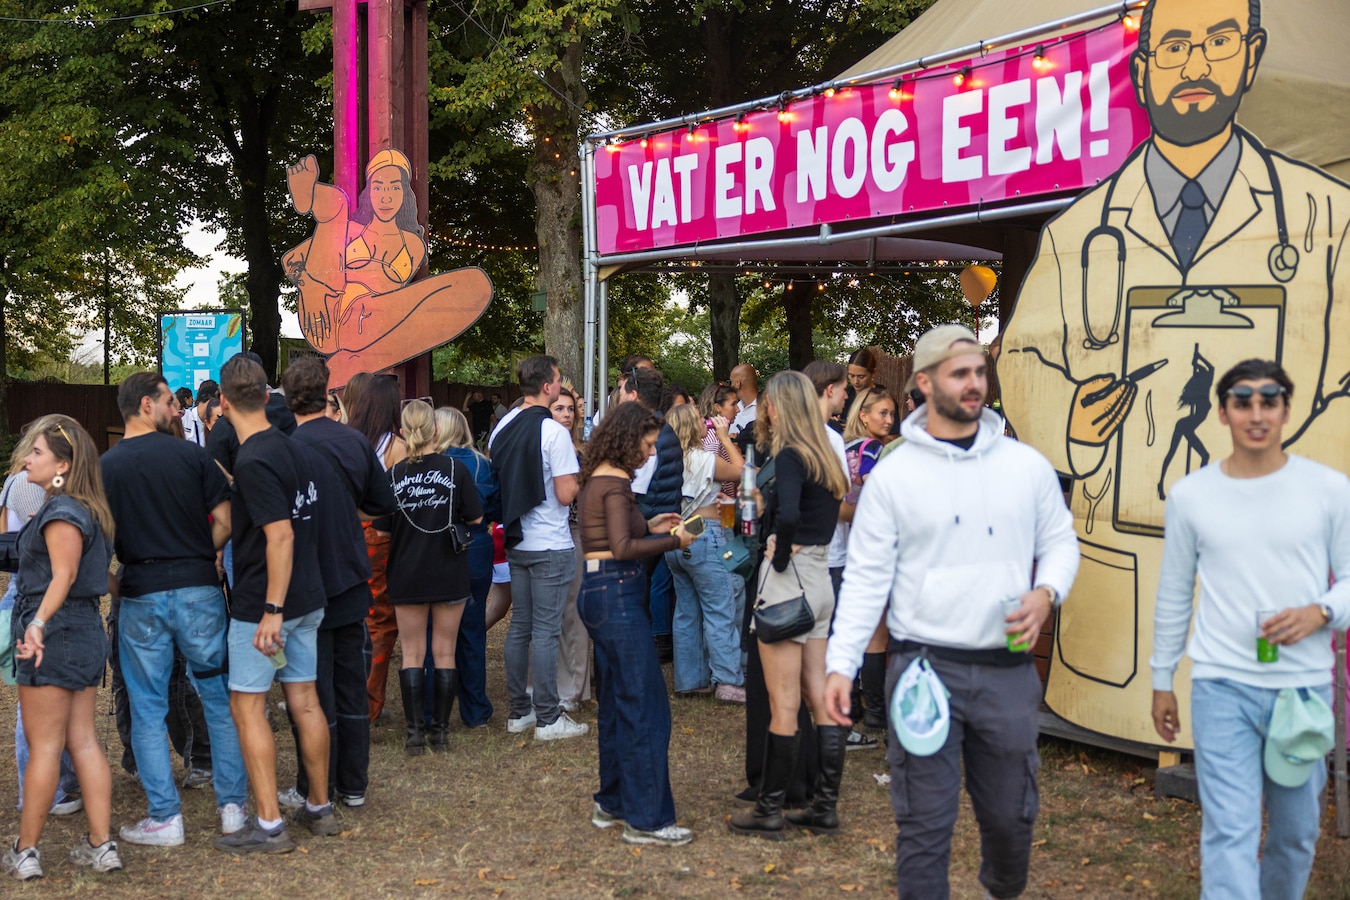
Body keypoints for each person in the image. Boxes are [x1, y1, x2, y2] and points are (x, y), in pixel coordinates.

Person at [998, 0, 1350, 746]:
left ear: (1250, 56)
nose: (1195, 65)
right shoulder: (1076, 232)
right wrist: (1070, 420)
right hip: (1116, 594)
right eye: (1176, 46)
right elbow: (1023, 358)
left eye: (1219, 42)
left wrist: (1286, 475)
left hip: (1268, 570)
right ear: (1143, 70)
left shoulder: (1329, 216)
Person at [824, 324, 1080, 899]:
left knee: (1012, 820)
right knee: (924, 827)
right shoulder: (895, 475)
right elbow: (866, 578)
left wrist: (1046, 593)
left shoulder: (1024, 466)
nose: (973, 384)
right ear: (925, 381)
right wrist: (841, 666)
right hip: (923, 670)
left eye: (979, 373)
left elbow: (1061, 541)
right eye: (959, 373)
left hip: (1007, 670)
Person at [1150, 359, 1350, 900]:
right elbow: (1173, 593)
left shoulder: (1329, 490)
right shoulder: (1192, 495)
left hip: (1301, 690)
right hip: (1221, 688)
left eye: (1269, 399)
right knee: (1230, 832)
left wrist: (1321, 612)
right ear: (1222, 411)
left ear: (1286, 409)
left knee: (1295, 837)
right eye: (1243, 400)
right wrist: (1162, 678)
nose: (1256, 412)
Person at [100, 373, 246, 847]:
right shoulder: (193, 456)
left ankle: (165, 818)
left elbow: (95, 541)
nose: (176, 410)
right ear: (146, 405)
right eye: (168, 402)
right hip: (199, 588)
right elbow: (225, 520)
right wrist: (203, 554)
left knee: (146, 708)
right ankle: (232, 809)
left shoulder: (106, 467)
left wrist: (115, 582)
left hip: (140, 588)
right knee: (218, 700)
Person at [213, 355, 335, 854]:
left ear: (222, 404)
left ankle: (268, 825)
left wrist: (271, 609)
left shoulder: (254, 459)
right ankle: (319, 807)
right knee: (304, 700)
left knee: (247, 706)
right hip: (307, 596)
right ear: (268, 396)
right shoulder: (296, 449)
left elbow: (280, 536)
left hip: (269, 606)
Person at [730, 371, 848, 840]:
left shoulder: (793, 455)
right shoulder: (826, 452)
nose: (766, 410)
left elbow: (793, 515)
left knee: (784, 702)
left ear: (785, 406)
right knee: (819, 697)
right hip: (821, 581)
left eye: (772, 403)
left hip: (789, 581)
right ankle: (824, 807)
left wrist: (778, 551)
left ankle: (770, 809)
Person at [3, 415, 122, 880]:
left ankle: (25, 850)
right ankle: (101, 845)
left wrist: (37, 623)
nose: (26, 459)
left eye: (36, 452)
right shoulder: (84, 508)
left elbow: (64, 575)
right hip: (82, 631)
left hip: (56, 632)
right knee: (82, 741)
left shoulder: (64, 512)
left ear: (62, 465)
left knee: (47, 746)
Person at [576, 402, 694, 846]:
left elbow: (618, 533)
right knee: (645, 707)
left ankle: (613, 800)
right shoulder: (616, 482)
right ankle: (646, 819)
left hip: (598, 594)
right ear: (627, 440)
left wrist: (653, 522)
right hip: (617, 594)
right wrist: (672, 540)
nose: (650, 454)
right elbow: (623, 547)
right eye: (646, 445)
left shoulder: (599, 479)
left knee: (616, 701)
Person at [284, 357, 396, 809]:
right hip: (349, 571)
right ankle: (352, 784)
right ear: (327, 393)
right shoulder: (355, 442)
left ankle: (316, 786)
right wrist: (347, 514)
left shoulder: (284, 445)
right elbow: (381, 506)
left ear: (289, 398)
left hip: (305, 577)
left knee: (313, 686)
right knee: (349, 679)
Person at [283, 151, 490, 385]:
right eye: (378, 187)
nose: (386, 197)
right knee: (338, 205)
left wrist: (352, 277)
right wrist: (310, 288)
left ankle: (351, 363)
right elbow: (292, 258)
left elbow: (390, 289)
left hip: (375, 321)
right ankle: (318, 198)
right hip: (325, 315)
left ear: (405, 194)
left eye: (394, 188)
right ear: (368, 193)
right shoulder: (351, 230)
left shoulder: (412, 244)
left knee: (475, 285)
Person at [489, 355, 588, 741]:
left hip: (517, 538)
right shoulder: (553, 432)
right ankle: (548, 718)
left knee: (520, 627)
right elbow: (565, 494)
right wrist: (582, 475)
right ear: (548, 386)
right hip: (550, 540)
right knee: (545, 632)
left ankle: (520, 712)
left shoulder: (503, 427)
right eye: (558, 381)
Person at [384, 400, 483, 753]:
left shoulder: (393, 475)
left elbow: (381, 529)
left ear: (403, 430)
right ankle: (439, 733)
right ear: (436, 430)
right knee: (445, 651)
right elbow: (475, 519)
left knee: (412, 652)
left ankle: (415, 735)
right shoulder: (456, 470)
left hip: (407, 570)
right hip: (448, 569)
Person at [2, 433, 82, 823]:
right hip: (33, 597)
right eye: (32, 451)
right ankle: (44, 790)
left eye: (39, 452)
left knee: (44, 700)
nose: (32, 458)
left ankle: (53, 782)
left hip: (25, 595)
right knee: (33, 705)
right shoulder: (38, 491)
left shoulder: (14, 483)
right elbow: (57, 565)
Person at [802, 360, 878, 752]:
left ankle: (818, 722)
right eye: (843, 387)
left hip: (811, 553)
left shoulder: (798, 433)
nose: (847, 393)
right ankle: (834, 726)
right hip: (829, 553)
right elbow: (838, 505)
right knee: (831, 642)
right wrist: (877, 513)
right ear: (828, 390)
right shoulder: (828, 439)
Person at [663, 403, 745, 702]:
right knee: (721, 607)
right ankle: (728, 681)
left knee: (686, 610)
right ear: (690, 426)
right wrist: (725, 438)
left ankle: (690, 679)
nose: (705, 420)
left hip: (677, 533)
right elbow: (742, 472)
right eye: (699, 417)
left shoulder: (666, 460)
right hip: (704, 531)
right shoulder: (703, 459)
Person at [345, 373, 407, 722]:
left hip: (345, 534)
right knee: (381, 620)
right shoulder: (395, 447)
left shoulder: (349, 438)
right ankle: (368, 703)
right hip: (377, 537)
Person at [436, 406, 499, 727]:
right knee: (472, 630)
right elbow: (494, 506)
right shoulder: (481, 464)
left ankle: (436, 711)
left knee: (438, 631)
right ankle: (475, 710)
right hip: (476, 545)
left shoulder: (431, 466)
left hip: (440, 546)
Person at [550, 385, 592, 712]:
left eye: (569, 409)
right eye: (559, 409)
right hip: (548, 533)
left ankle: (574, 689)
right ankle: (548, 685)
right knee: (548, 614)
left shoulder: (582, 450)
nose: (566, 415)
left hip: (576, 531)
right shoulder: (545, 444)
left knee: (575, 612)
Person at [697, 381, 741, 499]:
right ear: (717, 407)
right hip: (719, 508)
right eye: (734, 404)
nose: (738, 410)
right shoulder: (713, 438)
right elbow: (710, 477)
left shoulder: (715, 433)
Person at [729, 363, 759, 440]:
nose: (730, 386)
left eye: (731, 382)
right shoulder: (734, 407)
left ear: (737, 383)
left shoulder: (765, 408)